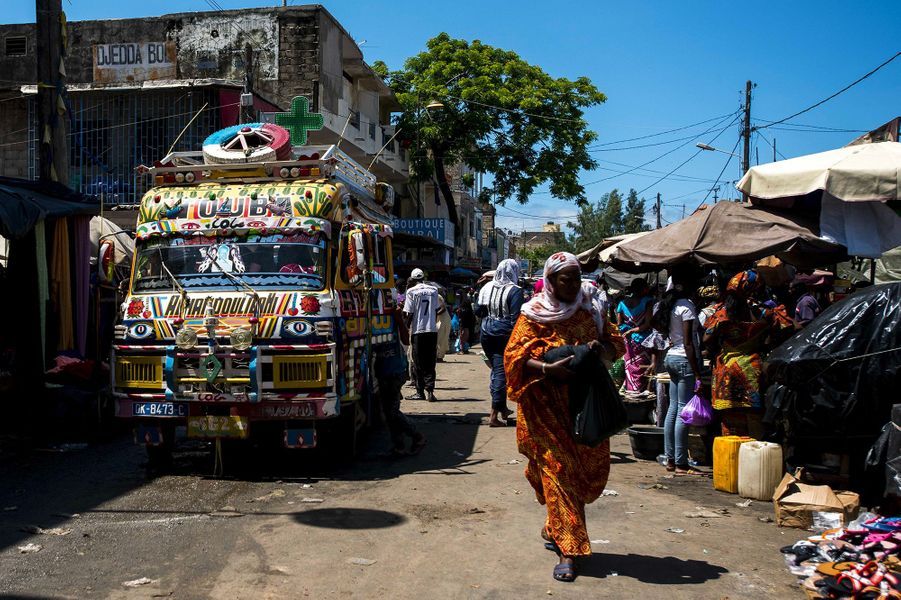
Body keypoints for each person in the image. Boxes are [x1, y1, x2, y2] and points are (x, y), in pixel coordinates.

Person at [504, 252, 624, 583]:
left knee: (582, 474)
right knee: (561, 473)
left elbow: (615, 343)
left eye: (575, 278)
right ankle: (568, 550)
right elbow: (514, 357)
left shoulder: (591, 309)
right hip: (544, 411)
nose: (572, 285)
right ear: (551, 280)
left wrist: (598, 352)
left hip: (583, 406)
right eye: (564, 279)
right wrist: (545, 367)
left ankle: (554, 524)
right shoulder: (532, 315)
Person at [703, 270, 792, 438]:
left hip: (727, 371)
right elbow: (789, 329)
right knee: (753, 420)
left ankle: (731, 459)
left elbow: (707, 339)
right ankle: (751, 459)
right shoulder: (764, 313)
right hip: (752, 370)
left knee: (730, 421)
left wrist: (722, 346)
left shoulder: (723, 314)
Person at [654, 275, 702, 474]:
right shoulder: (687, 307)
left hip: (671, 357)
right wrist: (698, 373)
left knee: (673, 408)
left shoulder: (672, 305)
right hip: (683, 359)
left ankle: (670, 459)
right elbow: (689, 342)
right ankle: (681, 462)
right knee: (682, 410)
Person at [474, 259, 523, 427]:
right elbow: (516, 319)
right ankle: (494, 415)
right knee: (501, 371)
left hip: (486, 332)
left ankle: (502, 408)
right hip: (504, 334)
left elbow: (478, 311)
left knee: (497, 368)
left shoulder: (486, 288)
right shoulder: (515, 291)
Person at [374, 305, 427, 457]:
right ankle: (399, 445)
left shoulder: (394, 319)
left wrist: (398, 320)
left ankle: (417, 436)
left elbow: (406, 339)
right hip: (384, 370)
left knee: (392, 411)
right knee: (388, 412)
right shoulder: (374, 319)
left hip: (395, 370)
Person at [403, 268, 440, 402]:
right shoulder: (434, 290)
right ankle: (430, 391)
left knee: (418, 363)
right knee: (430, 362)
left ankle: (420, 392)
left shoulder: (411, 292)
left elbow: (409, 313)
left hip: (418, 331)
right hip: (431, 330)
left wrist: (405, 327)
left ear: (412, 280)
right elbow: (436, 310)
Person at [615, 278, 654, 393]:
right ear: (644, 289)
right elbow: (647, 324)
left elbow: (619, 324)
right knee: (643, 369)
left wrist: (629, 331)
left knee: (630, 367)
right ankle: (641, 393)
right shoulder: (648, 301)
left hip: (628, 341)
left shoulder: (621, 303)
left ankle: (631, 391)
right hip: (644, 341)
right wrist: (634, 330)